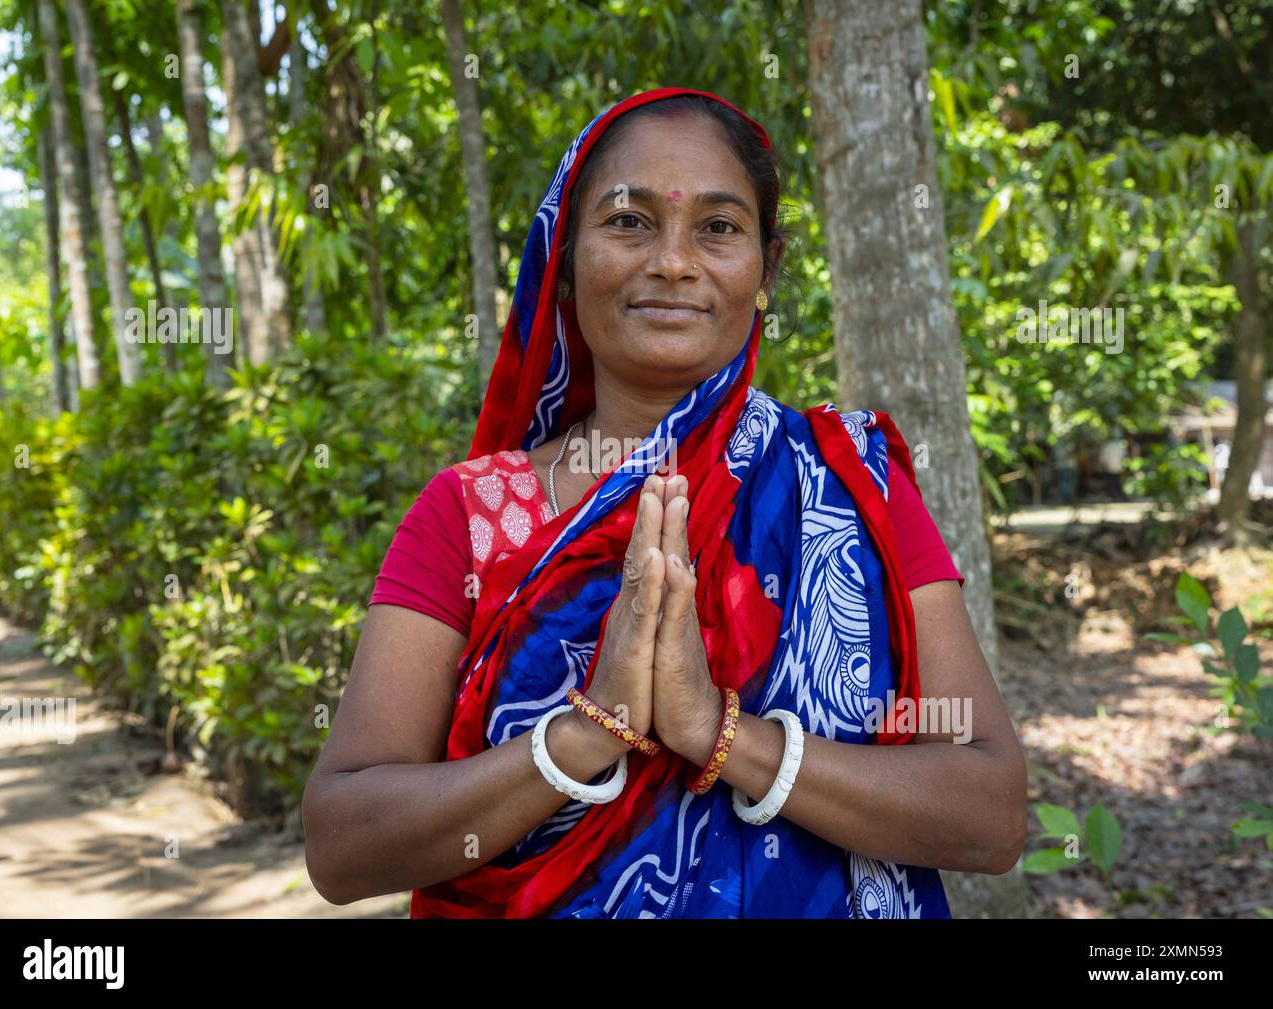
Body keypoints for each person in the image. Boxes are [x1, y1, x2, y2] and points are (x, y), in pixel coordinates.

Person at [303, 87, 1027, 918]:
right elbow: (343, 843)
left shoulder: (855, 487)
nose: (673, 261)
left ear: (766, 269)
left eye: (719, 227)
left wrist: (723, 734)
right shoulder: (469, 516)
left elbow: (990, 813)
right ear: (564, 264)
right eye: (628, 221)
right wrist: (585, 731)